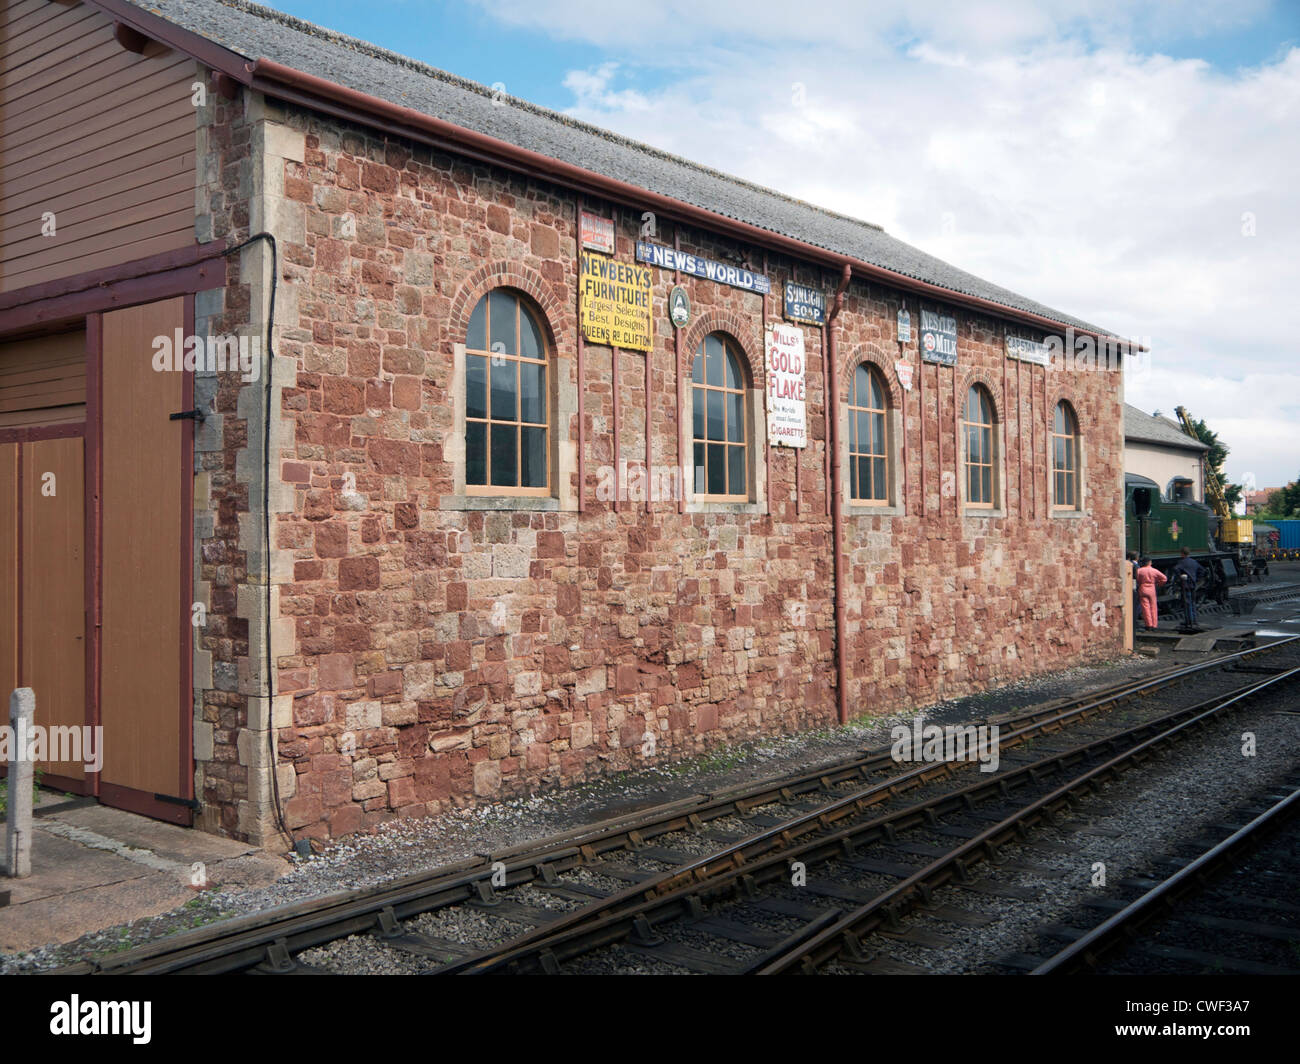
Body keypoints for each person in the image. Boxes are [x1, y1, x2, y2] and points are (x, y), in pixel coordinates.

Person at [1172, 546, 1203, 627]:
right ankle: (1194, 620)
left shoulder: (1182, 562)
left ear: (1182, 554)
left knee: (1187, 603)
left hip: (1185, 584)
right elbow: (1202, 570)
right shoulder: (1194, 562)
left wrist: (1180, 576)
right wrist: (1196, 578)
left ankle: (1189, 621)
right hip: (1193, 584)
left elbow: (1175, 569)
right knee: (1193, 602)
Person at [1135, 557, 1167, 630]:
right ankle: (1154, 624)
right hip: (1152, 589)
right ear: (1150, 562)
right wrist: (1159, 584)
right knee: (1153, 607)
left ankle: (1148, 624)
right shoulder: (1154, 570)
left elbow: (1136, 578)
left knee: (1145, 607)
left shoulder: (1139, 570)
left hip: (1143, 588)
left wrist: (1140, 583)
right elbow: (1164, 578)